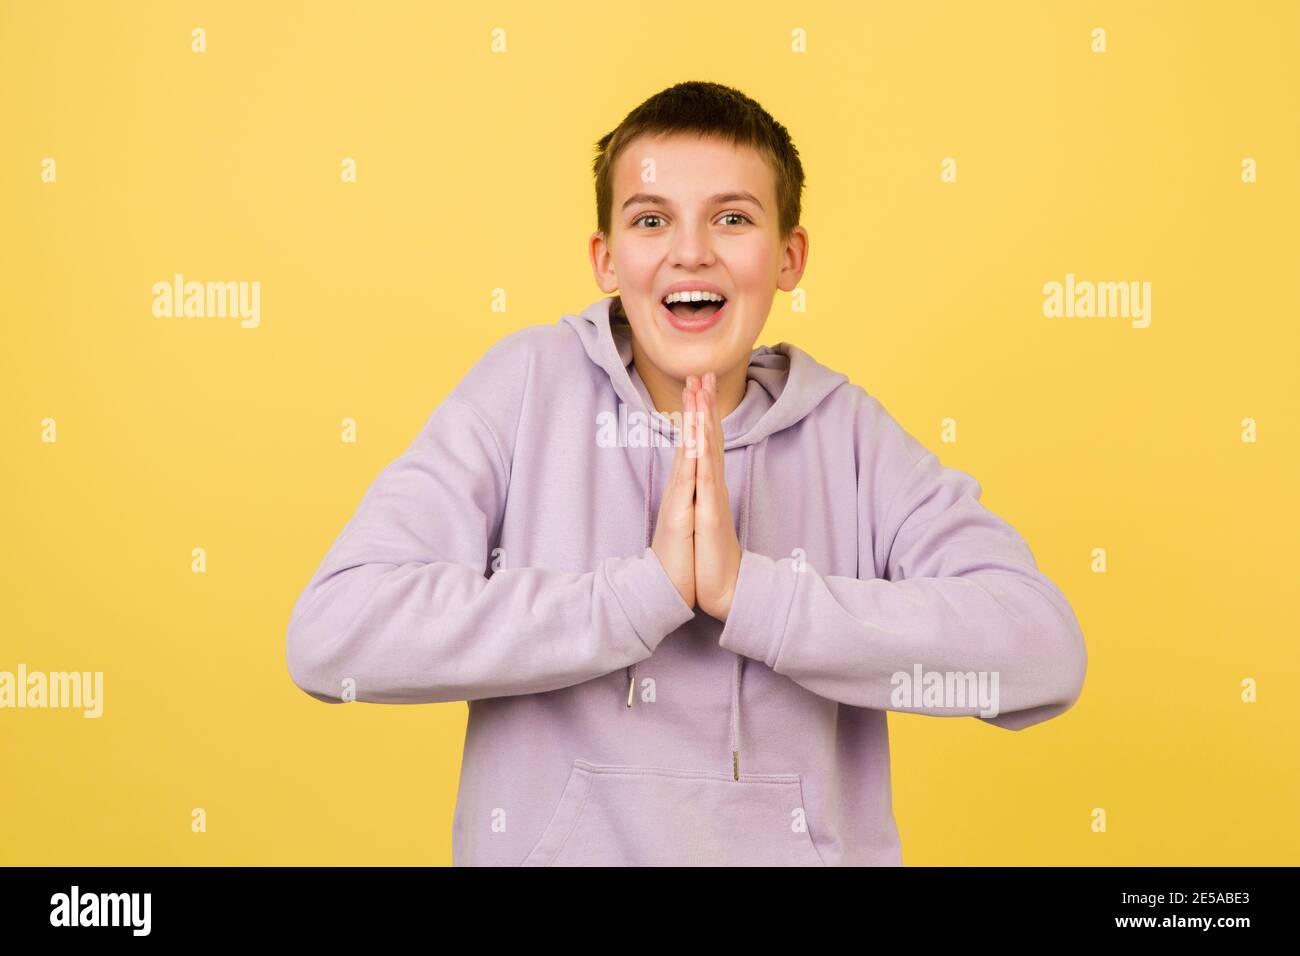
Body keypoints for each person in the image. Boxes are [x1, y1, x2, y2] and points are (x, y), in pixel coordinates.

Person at [284, 80, 1088, 866]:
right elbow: (333, 638)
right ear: (605, 258)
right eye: (651, 219)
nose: (691, 251)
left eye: (733, 218)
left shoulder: (848, 435)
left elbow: (1042, 656)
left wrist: (754, 597)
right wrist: (639, 596)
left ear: (788, 257)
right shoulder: (524, 390)